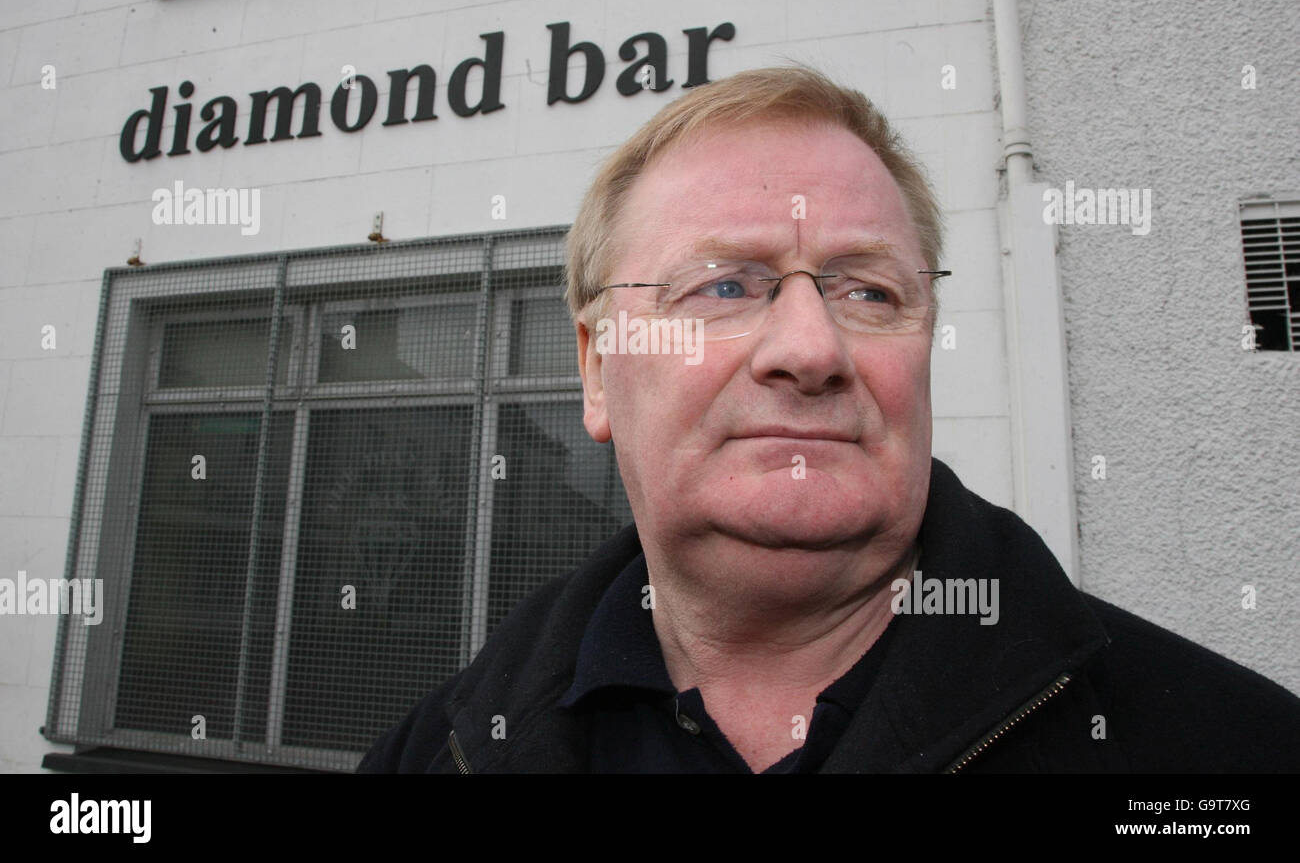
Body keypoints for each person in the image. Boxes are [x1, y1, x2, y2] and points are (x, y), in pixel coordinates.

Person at [358, 66, 1300, 773]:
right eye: (725, 285)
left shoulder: (1227, 758)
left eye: (870, 291)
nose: (811, 348)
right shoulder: (435, 753)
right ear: (599, 369)